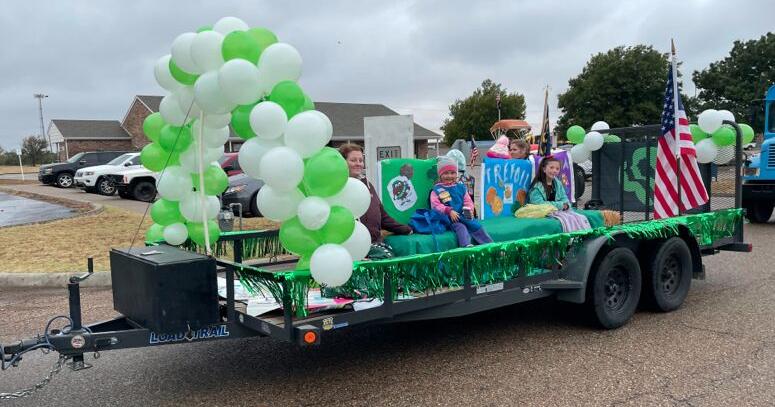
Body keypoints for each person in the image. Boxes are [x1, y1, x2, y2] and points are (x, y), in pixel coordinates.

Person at [338, 144, 412, 257]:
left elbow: (383, 217)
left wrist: (406, 229)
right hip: (351, 249)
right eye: (353, 160)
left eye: (360, 160)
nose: (358, 163)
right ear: (342, 162)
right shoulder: (337, 189)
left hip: (375, 243)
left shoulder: (367, 185)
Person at [430, 156, 493, 247]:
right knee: (461, 227)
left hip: (462, 215)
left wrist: (469, 210)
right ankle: (466, 245)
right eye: (446, 173)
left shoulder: (461, 187)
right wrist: (448, 210)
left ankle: (489, 244)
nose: (449, 176)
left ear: (456, 174)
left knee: (475, 224)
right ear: (440, 175)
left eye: (452, 173)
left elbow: (468, 201)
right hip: (449, 219)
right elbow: (436, 205)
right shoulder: (436, 190)